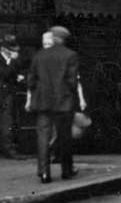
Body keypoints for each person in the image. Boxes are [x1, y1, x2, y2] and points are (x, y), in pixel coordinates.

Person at [25, 26, 86, 183]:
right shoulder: (70, 55)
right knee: (64, 137)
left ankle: (44, 172)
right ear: (64, 39)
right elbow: (72, 81)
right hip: (63, 103)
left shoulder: (39, 55)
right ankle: (66, 170)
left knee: (43, 137)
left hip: (43, 102)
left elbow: (31, 80)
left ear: (53, 38)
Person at [0, 33, 25, 158]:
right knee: (6, 122)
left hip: (10, 92)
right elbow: (4, 74)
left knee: (13, 121)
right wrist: (12, 61)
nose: (13, 52)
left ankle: (14, 148)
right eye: (10, 50)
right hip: (1, 95)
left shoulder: (11, 59)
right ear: (4, 48)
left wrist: (18, 76)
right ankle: (9, 150)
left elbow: (13, 73)